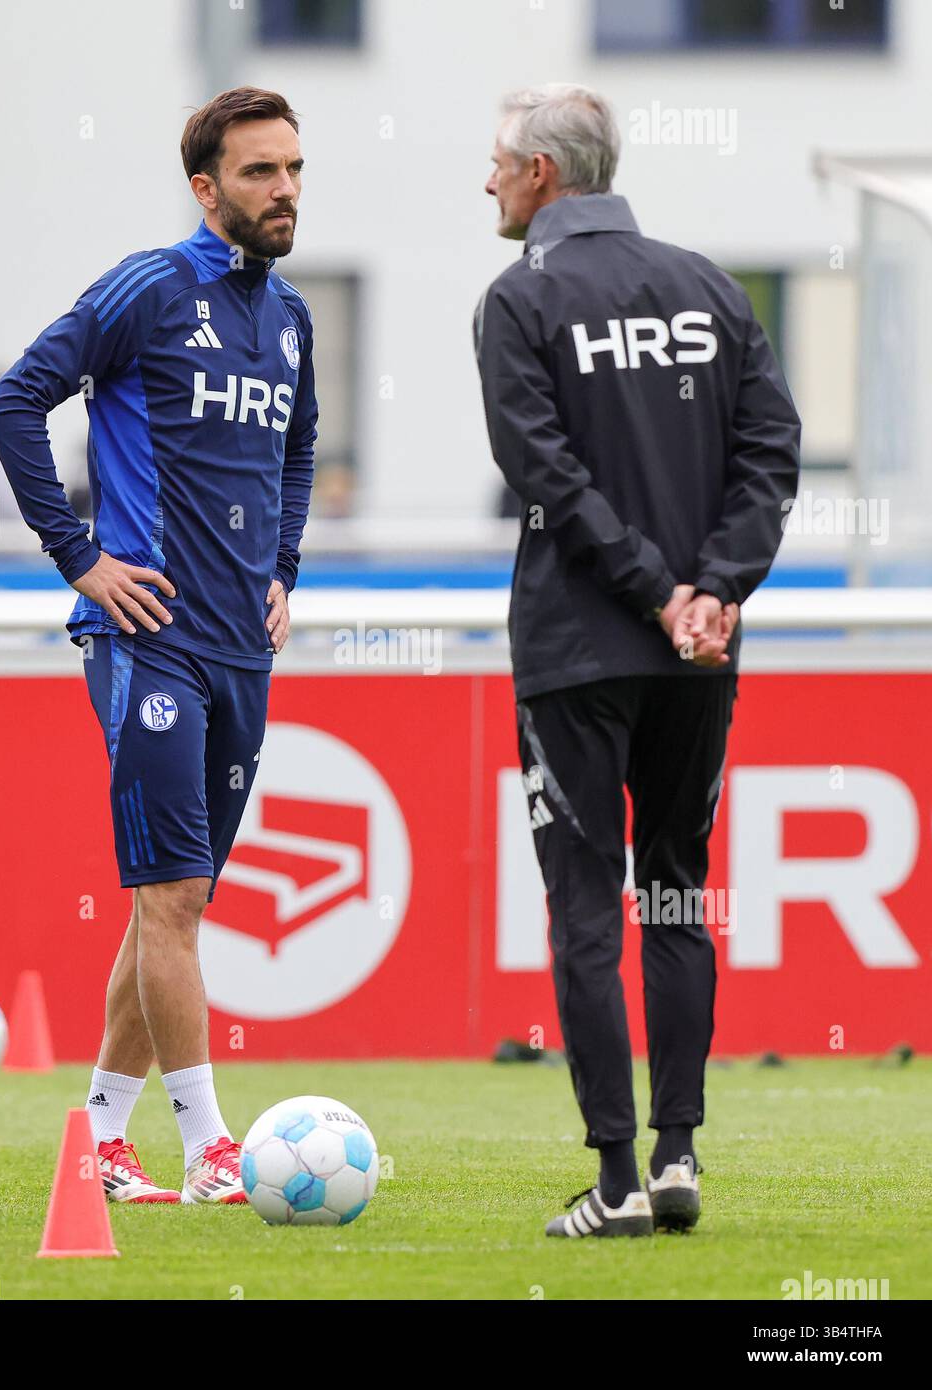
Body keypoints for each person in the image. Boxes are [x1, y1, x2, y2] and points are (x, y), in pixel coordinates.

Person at [474, 84, 799, 1238]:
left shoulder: (521, 299)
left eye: (500, 164)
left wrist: (655, 589)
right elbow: (772, 452)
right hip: (697, 657)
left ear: (544, 176)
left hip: (578, 649)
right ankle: (676, 1157)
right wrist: (715, 588)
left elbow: (544, 472)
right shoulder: (711, 287)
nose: (489, 182)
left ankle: (612, 1181)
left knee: (583, 911)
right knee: (674, 892)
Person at [0, 87, 316, 1205]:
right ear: (206, 186)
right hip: (146, 640)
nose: (284, 191)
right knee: (172, 899)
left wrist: (285, 568)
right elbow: (18, 401)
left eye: (294, 169)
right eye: (261, 171)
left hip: (240, 648)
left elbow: (298, 448)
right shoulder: (149, 287)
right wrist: (78, 557)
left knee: (170, 905)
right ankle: (213, 1146)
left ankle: (101, 1136)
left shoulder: (291, 319)